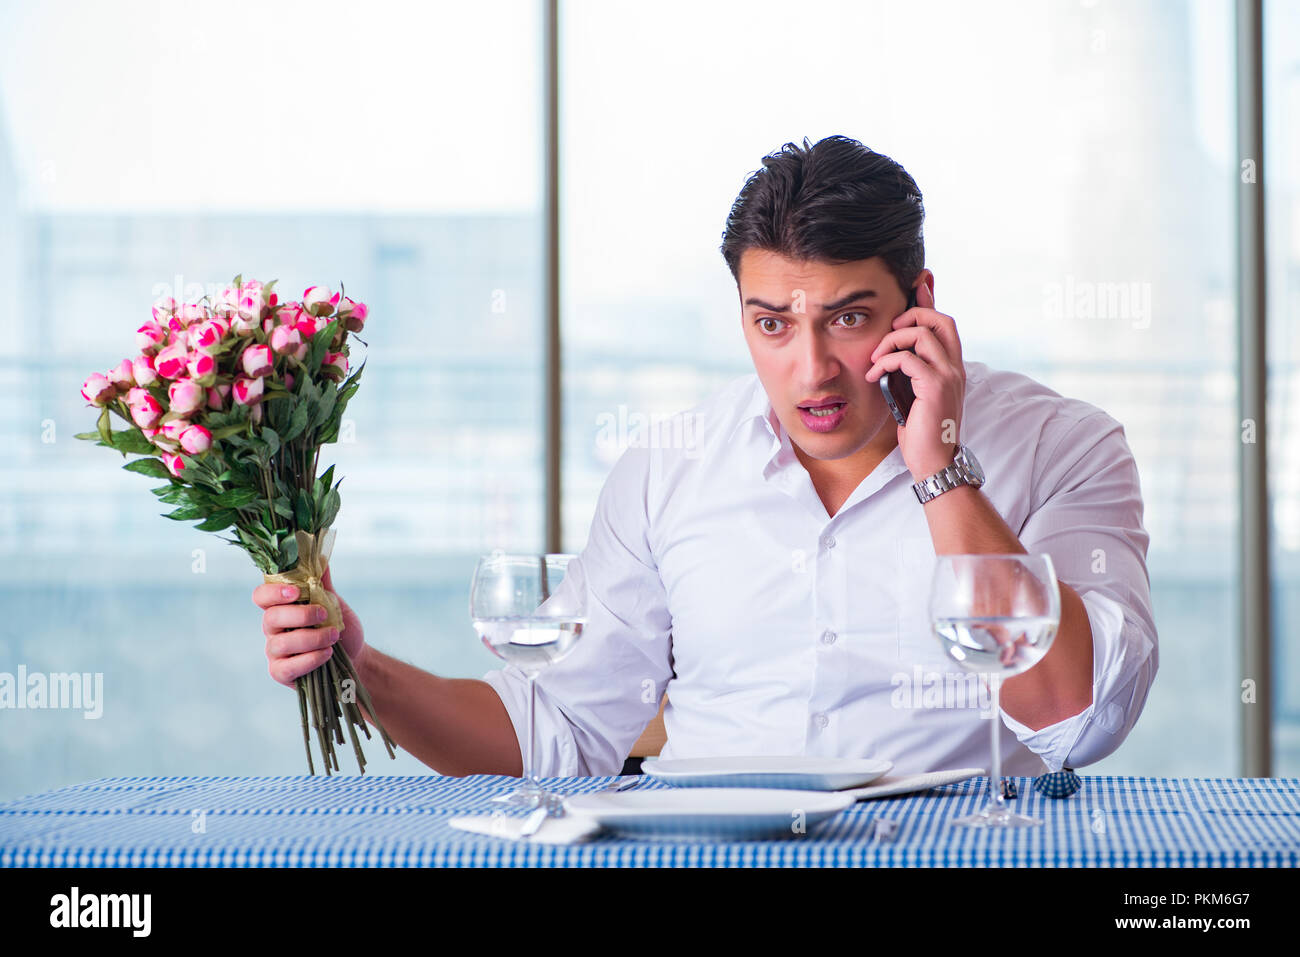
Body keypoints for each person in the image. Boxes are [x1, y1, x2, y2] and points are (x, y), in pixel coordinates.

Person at [253, 135, 1158, 778]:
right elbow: (555, 730)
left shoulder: (1064, 447)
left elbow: (1080, 718)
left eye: (848, 317)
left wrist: (942, 469)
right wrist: (360, 667)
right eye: (772, 324)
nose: (810, 368)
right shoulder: (670, 468)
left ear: (918, 300)